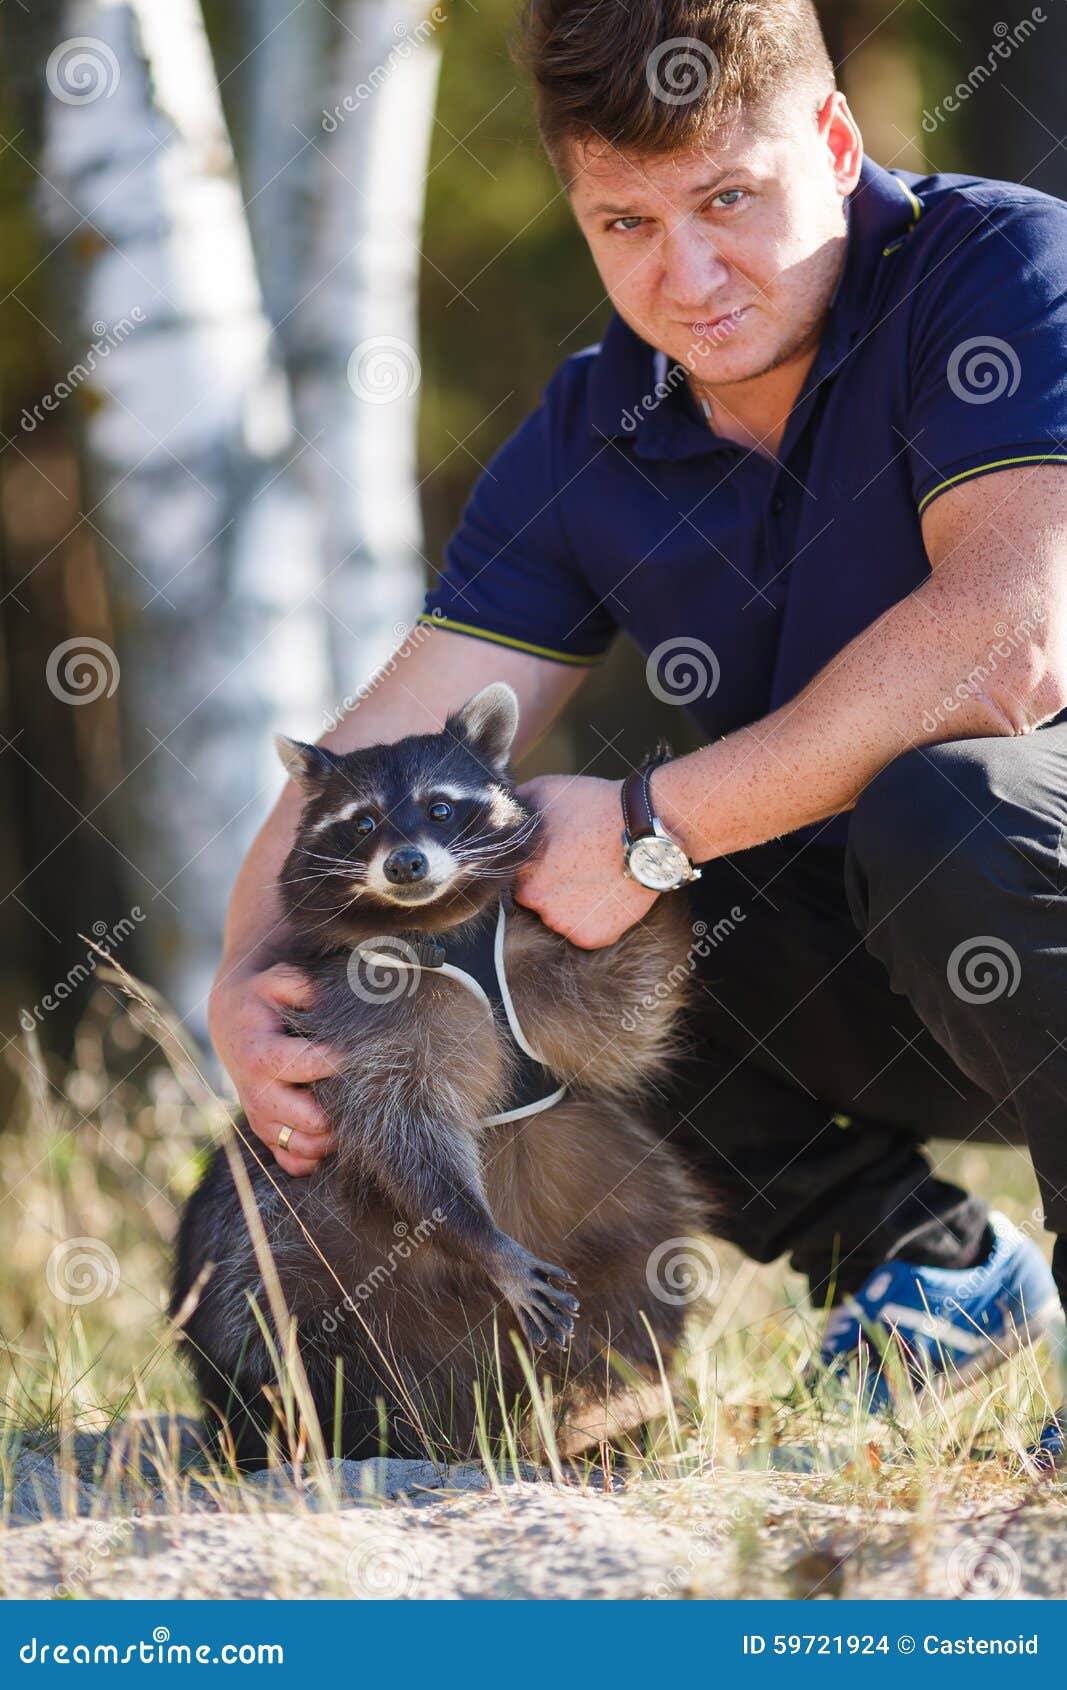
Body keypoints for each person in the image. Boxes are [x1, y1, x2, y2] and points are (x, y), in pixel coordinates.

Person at [206, 0, 1067, 1427]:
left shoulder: (1003, 269)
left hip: (1024, 877)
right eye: (626, 223)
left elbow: (1012, 648)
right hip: (914, 964)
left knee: (941, 799)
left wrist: (656, 826)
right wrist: (248, 982)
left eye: (731, 198)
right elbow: (382, 745)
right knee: (535, 902)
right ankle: (924, 1267)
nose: (689, 274)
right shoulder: (594, 425)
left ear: (837, 141)